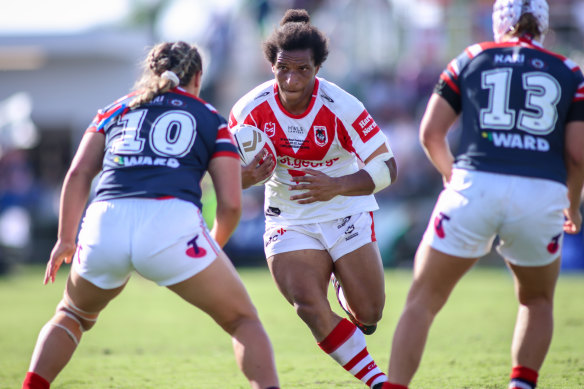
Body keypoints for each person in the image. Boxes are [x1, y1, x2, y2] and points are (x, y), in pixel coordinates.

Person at [21, 41, 280, 389]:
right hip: (169, 224)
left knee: (70, 316)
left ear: (151, 71)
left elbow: (78, 173)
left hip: (104, 222)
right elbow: (231, 205)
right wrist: (212, 246)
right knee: (243, 320)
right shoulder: (209, 116)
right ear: (198, 77)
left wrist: (65, 239)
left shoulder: (113, 110)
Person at [382, 1, 584, 388]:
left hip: (475, 185)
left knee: (422, 300)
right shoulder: (570, 70)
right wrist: (571, 205)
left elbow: (430, 133)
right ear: (542, 25)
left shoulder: (472, 56)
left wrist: (449, 174)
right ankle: (521, 383)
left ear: (498, 21)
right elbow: (577, 154)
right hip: (541, 193)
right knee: (536, 300)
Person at [229, 9, 398, 389]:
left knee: (369, 313)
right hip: (287, 216)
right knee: (308, 304)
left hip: (345, 210)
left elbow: (388, 167)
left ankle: (346, 287)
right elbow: (221, 173)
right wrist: (246, 177)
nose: (291, 79)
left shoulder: (343, 106)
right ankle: (378, 381)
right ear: (271, 64)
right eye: (282, 68)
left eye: (302, 70)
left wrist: (337, 185)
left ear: (318, 67)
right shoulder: (247, 111)